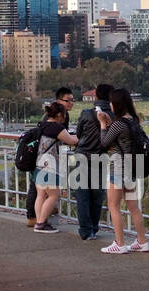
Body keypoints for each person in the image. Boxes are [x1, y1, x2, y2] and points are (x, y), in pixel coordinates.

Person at [98, 87, 149, 254]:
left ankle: (119, 244)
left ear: (116, 104)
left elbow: (104, 142)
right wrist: (109, 122)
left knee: (114, 206)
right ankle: (142, 242)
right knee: (134, 207)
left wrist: (102, 124)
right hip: (133, 167)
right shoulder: (134, 120)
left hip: (118, 168)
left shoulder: (119, 123)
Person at [26, 86, 73, 227]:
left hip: (40, 160)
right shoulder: (56, 124)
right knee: (51, 194)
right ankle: (39, 221)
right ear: (59, 102)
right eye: (68, 100)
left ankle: (36, 219)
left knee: (40, 193)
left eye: (72, 100)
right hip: (49, 163)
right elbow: (69, 139)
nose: (71, 103)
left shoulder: (47, 121)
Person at [72, 83, 112, 240]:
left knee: (82, 196)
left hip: (82, 157)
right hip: (100, 159)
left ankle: (85, 231)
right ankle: (94, 228)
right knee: (97, 196)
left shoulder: (86, 113)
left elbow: (79, 133)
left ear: (95, 96)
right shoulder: (113, 116)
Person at [32, 101, 78, 234]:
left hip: (39, 164)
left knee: (40, 195)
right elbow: (71, 141)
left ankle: (40, 221)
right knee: (53, 195)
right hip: (50, 166)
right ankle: (41, 224)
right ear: (59, 115)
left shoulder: (43, 125)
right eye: (64, 114)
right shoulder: (57, 128)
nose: (64, 117)